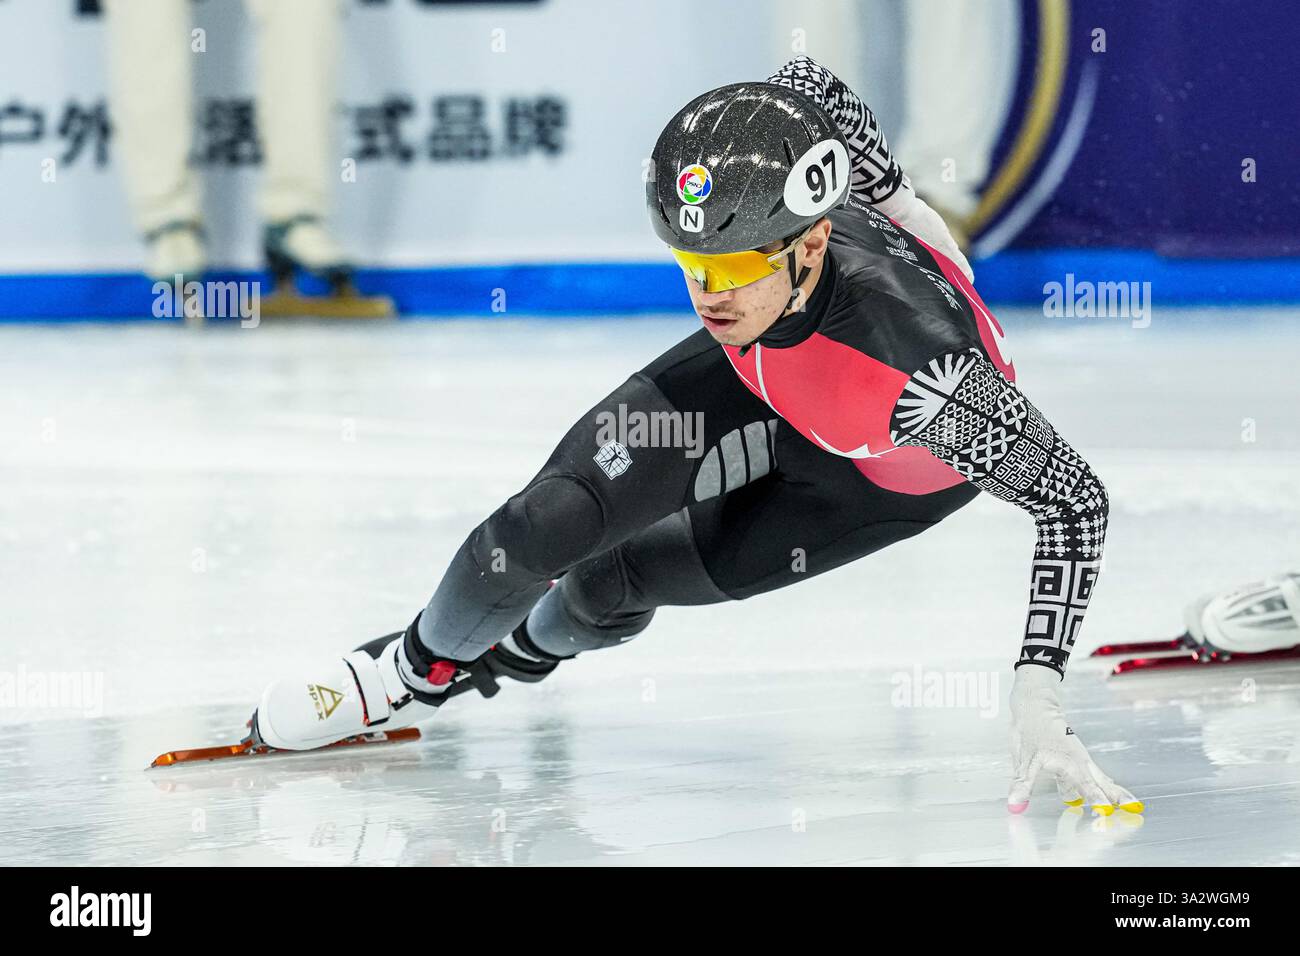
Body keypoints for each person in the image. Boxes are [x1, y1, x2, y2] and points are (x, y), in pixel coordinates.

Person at [250, 56, 1141, 816]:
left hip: (871, 477)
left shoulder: (934, 382)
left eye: (735, 268)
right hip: (763, 375)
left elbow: (1075, 501)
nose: (711, 296)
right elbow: (802, 83)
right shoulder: (770, 244)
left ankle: (500, 661)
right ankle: (407, 675)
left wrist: (1038, 683)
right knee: (539, 525)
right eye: (692, 265)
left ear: (810, 242)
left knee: (606, 588)